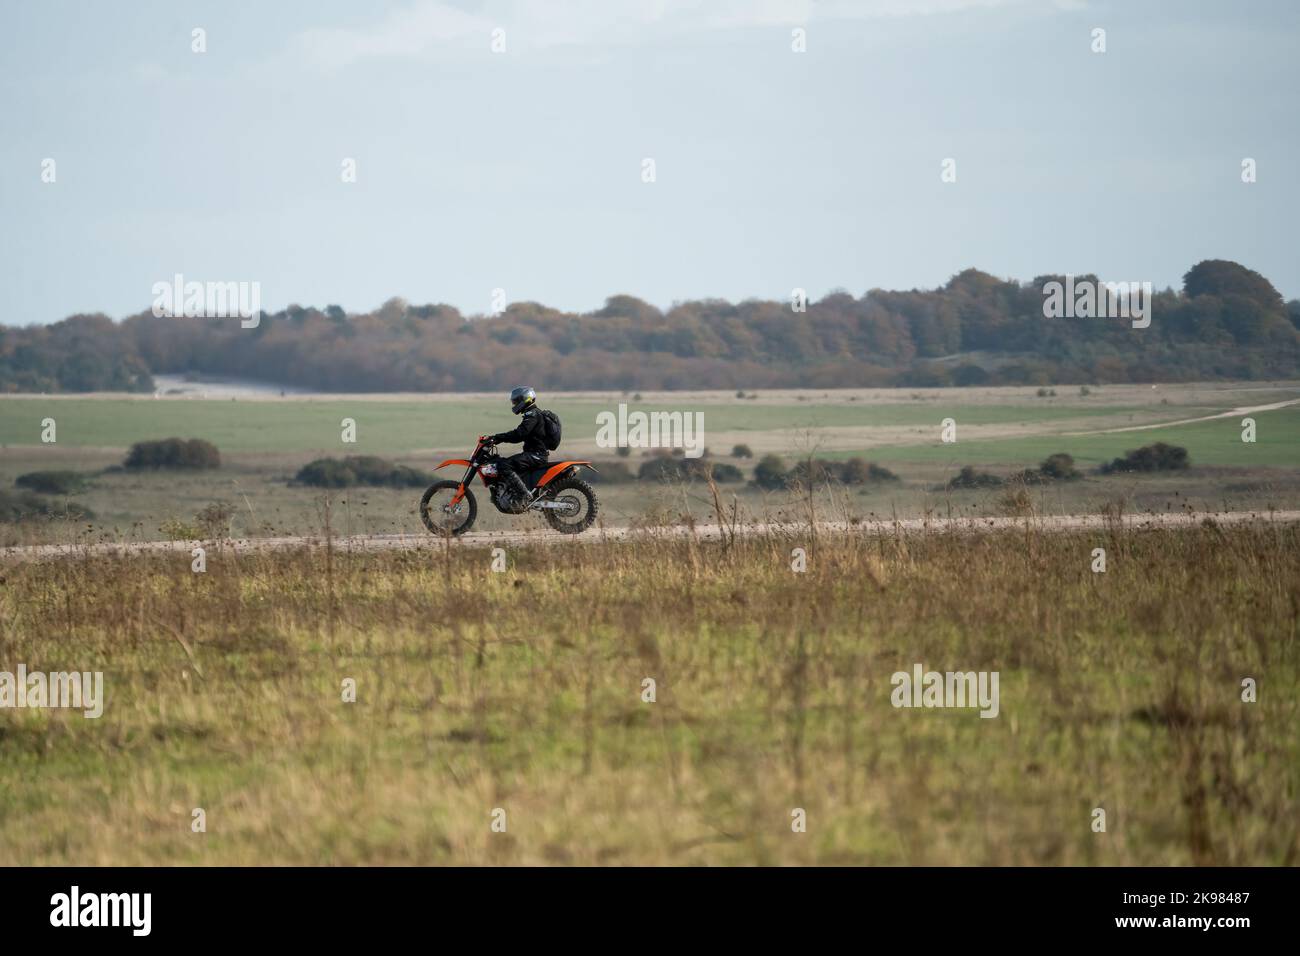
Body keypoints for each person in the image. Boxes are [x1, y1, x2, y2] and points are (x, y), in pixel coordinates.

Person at [488, 386, 556, 510]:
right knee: (502, 462)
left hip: (536, 455)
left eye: (516, 401)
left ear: (524, 399)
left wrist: (498, 438)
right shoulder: (532, 414)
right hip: (534, 453)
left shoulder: (533, 414)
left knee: (504, 466)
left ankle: (524, 496)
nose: (514, 404)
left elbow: (520, 434)